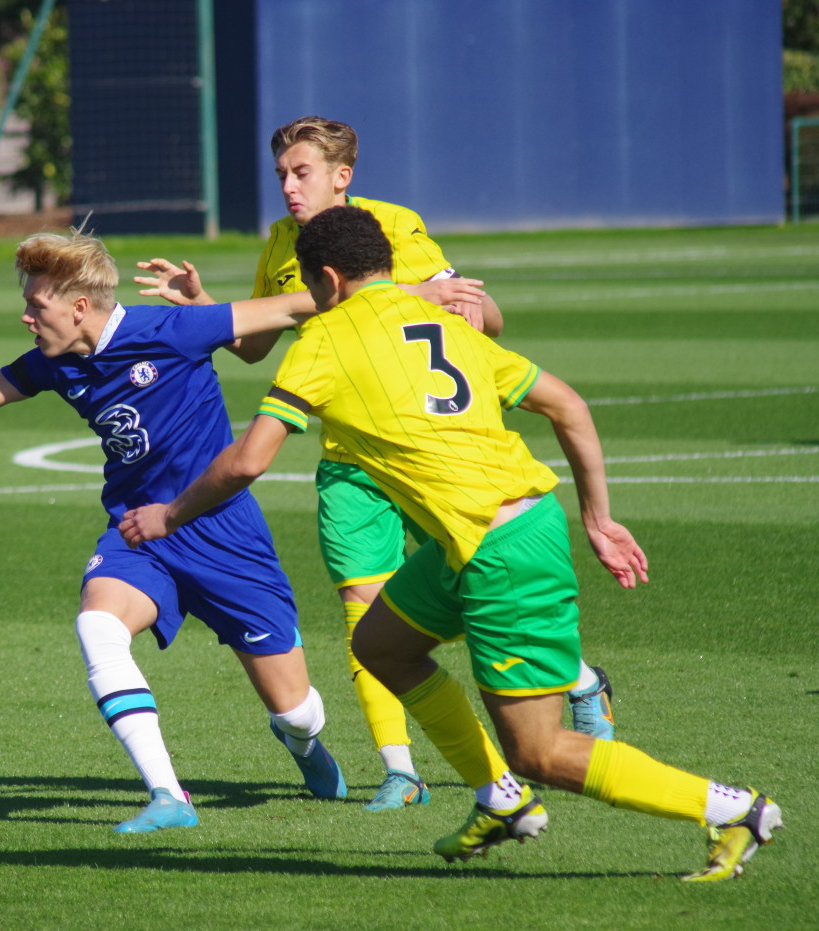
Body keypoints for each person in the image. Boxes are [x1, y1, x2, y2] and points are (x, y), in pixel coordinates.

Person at [120, 205, 782, 881]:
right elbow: (569, 406)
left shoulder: (320, 341)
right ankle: (499, 799)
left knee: (540, 749)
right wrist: (598, 518)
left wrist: (167, 516)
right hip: (483, 537)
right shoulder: (444, 323)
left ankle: (732, 809)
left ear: (325, 277)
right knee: (379, 644)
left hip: (502, 552)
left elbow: (247, 461)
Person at [0, 229, 347, 832]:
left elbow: (302, 304)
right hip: (139, 531)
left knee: (296, 712)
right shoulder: (56, 364)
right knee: (97, 626)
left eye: (37, 304)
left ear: (79, 308)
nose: (26, 316)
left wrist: (426, 293)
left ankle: (304, 744)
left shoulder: (172, 331)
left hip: (223, 531)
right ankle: (169, 797)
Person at [135, 115, 614, 812]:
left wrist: (420, 308)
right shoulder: (282, 243)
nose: (289, 188)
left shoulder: (395, 227)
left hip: (428, 445)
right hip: (348, 456)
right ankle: (400, 770)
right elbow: (257, 347)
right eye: (281, 175)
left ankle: (577, 680)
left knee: (477, 586)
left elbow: (489, 319)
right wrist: (206, 306)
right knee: (366, 612)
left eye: (301, 173)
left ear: (342, 175)